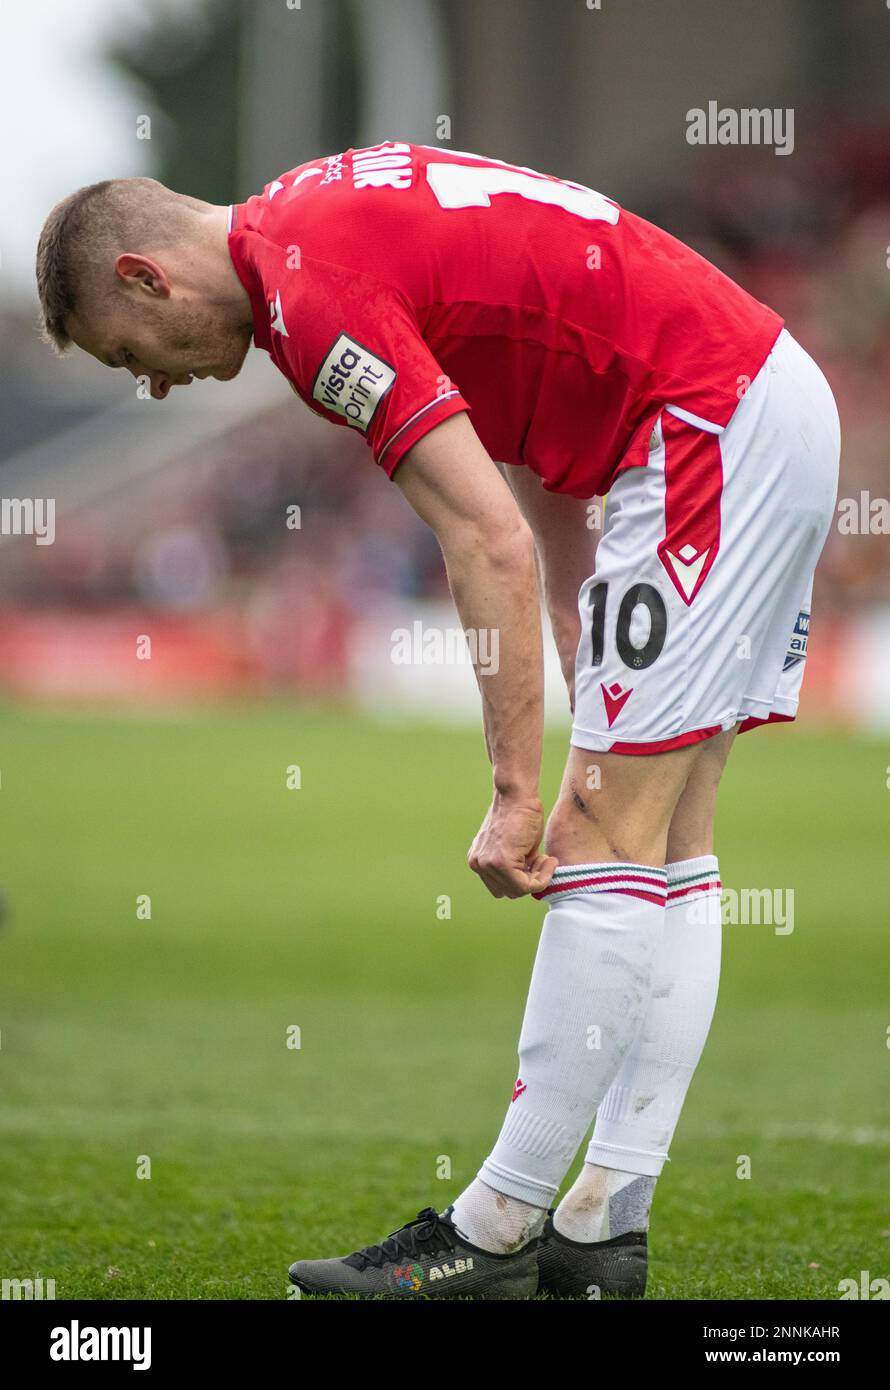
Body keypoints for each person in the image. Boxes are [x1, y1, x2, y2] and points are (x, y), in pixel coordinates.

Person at [36, 141, 840, 1299]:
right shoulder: (318, 213)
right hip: (739, 404)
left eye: (130, 356)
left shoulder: (304, 300)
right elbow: (545, 408)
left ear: (147, 277)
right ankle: (603, 1222)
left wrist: (515, 788)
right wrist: (581, 617)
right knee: (668, 841)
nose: (152, 384)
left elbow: (483, 539)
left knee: (593, 835)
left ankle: (494, 1229)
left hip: (703, 426)